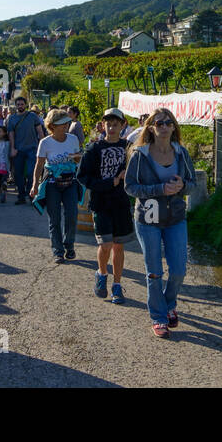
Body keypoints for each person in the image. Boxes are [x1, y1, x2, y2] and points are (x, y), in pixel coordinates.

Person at [125, 109, 195, 338]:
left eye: (168, 123)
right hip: (148, 219)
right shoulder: (139, 155)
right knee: (154, 272)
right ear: (151, 128)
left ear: (174, 127)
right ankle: (158, 317)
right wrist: (160, 189)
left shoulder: (182, 153)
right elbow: (130, 187)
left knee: (178, 270)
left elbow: (192, 183)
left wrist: (182, 186)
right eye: (159, 123)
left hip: (175, 218)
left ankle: (169, 304)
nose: (164, 126)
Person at [77, 108, 135, 304]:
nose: (111, 127)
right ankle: (102, 274)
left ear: (122, 125)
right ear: (103, 125)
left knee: (118, 246)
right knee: (105, 244)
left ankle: (117, 285)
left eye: (115, 124)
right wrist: (110, 183)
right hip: (100, 203)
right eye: (108, 124)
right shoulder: (94, 149)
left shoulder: (129, 147)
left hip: (121, 203)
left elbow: (138, 169)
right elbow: (83, 176)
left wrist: (127, 175)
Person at [30, 109, 83, 263]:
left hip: (70, 182)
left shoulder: (73, 139)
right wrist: (35, 185)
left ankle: (69, 245)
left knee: (72, 215)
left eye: (67, 123)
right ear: (52, 126)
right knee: (54, 219)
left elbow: (78, 160)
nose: (65, 126)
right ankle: (58, 251)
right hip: (52, 183)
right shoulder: (45, 142)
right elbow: (39, 165)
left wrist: (76, 157)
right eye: (61, 124)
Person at [6, 96, 45, 205]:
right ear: (15, 105)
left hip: (32, 149)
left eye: (22, 104)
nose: (20, 106)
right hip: (18, 150)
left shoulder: (32, 116)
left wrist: (43, 146)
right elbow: (11, 134)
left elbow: (40, 131)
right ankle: (21, 196)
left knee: (31, 173)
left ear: (25, 105)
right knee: (18, 174)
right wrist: (13, 148)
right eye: (18, 104)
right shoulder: (12, 118)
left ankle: (31, 194)